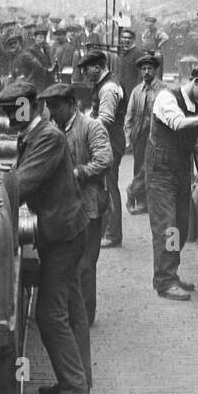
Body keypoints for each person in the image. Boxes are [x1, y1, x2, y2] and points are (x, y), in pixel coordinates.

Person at [0, 79, 91, 394]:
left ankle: (74, 387)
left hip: (62, 233)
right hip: (62, 230)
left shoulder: (48, 137)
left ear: (29, 106)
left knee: (50, 314)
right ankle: (79, 379)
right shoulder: (33, 135)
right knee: (73, 310)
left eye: (13, 109)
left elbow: (22, 182)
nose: (9, 117)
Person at [147, 64, 198, 300]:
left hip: (181, 172)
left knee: (180, 226)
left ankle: (171, 272)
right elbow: (178, 123)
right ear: (196, 81)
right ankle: (165, 280)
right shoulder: (166, 98)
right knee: (167, 227)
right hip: (160, 172)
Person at [41, 82, 112, 328]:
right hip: (61, 209)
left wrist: (77, 173)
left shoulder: (92, 127)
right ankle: (67, 314)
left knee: (85, 264)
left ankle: (84, 317)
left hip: (88, 205)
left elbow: (104, 160)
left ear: (72, 105)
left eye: (56, 107)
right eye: (48, 107)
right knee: (64, 262)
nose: (51, 113)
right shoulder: (51, 128)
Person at [77, 49, 125, 247]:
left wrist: (84, 124)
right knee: (105, 184)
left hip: (111, 141)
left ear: (97, 67)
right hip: (108, 140)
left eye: (87, 70)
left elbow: (105, 118)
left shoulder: (108, 88)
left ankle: (114, 235)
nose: (85, 74)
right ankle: (108, 230)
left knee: (110, 186)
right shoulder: (103, 84)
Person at [124, 52, 161, 213]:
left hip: (157, 136)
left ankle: (143, 197)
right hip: (139, 135)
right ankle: (140, 200)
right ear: (140, 71)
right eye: (144, 68)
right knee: (139, 167)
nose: (147, 72)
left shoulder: (163, 90)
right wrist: (128, 137)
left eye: (150, 68)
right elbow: (129, 115)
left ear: (155, 70)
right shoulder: (136, 91)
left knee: (153, 168)